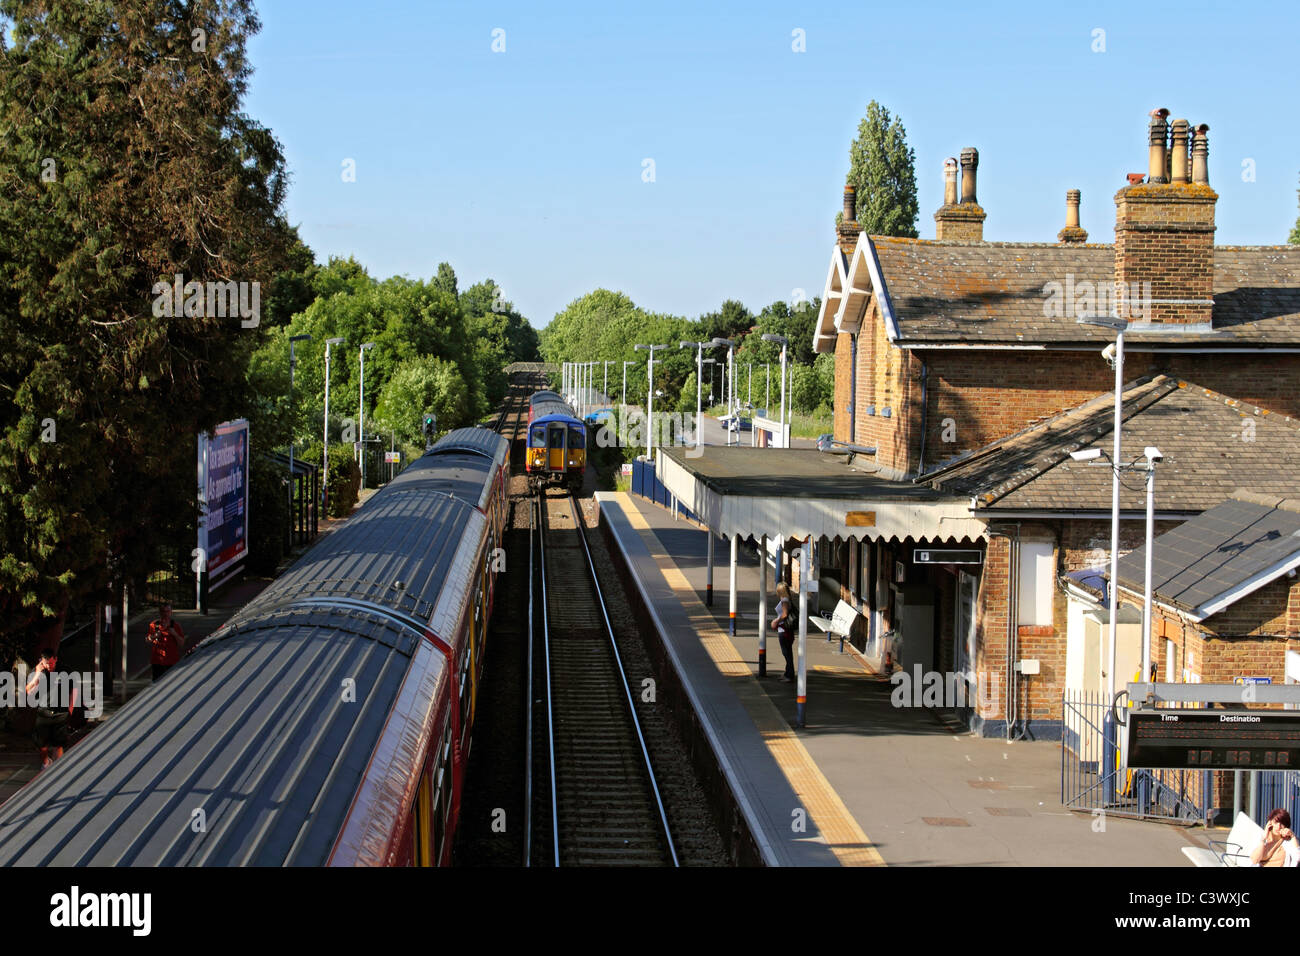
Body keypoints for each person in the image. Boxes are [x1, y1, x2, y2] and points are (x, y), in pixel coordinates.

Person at [25, 650, 66, 767]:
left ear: (55, 660)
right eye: (46, 663)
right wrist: (37, 675)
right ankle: (46, 762)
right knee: (41, 743)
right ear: (41, 662)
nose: (49, 666)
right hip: (44, 709)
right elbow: (28, 690)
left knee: (58, 743)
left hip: (60, 710)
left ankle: (59, 767)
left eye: (51, 663)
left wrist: (70, 708)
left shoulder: (62, 670)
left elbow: (72, 688)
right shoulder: (36, 672)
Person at [146, 604, 187, 681]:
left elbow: (181, 643)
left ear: (171, 612)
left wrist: (174, 634)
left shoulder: (175, 626)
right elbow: (147, 639)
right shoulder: (154, 625)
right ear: (160, 613)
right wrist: (154, 636)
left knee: (171, 682)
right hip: (157, 661)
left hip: (172, 661)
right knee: (157, 683)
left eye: (167, 611)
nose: (165, 614)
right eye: (163, 611)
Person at [770, 582, 795, 682]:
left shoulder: (785, 600)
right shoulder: (787, 599)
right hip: (786, 630)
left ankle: (789, 675)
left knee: (787, 653)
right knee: (787, 653)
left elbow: (784, 614)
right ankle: (787, 673)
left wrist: (776, 621)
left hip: (784, 630)